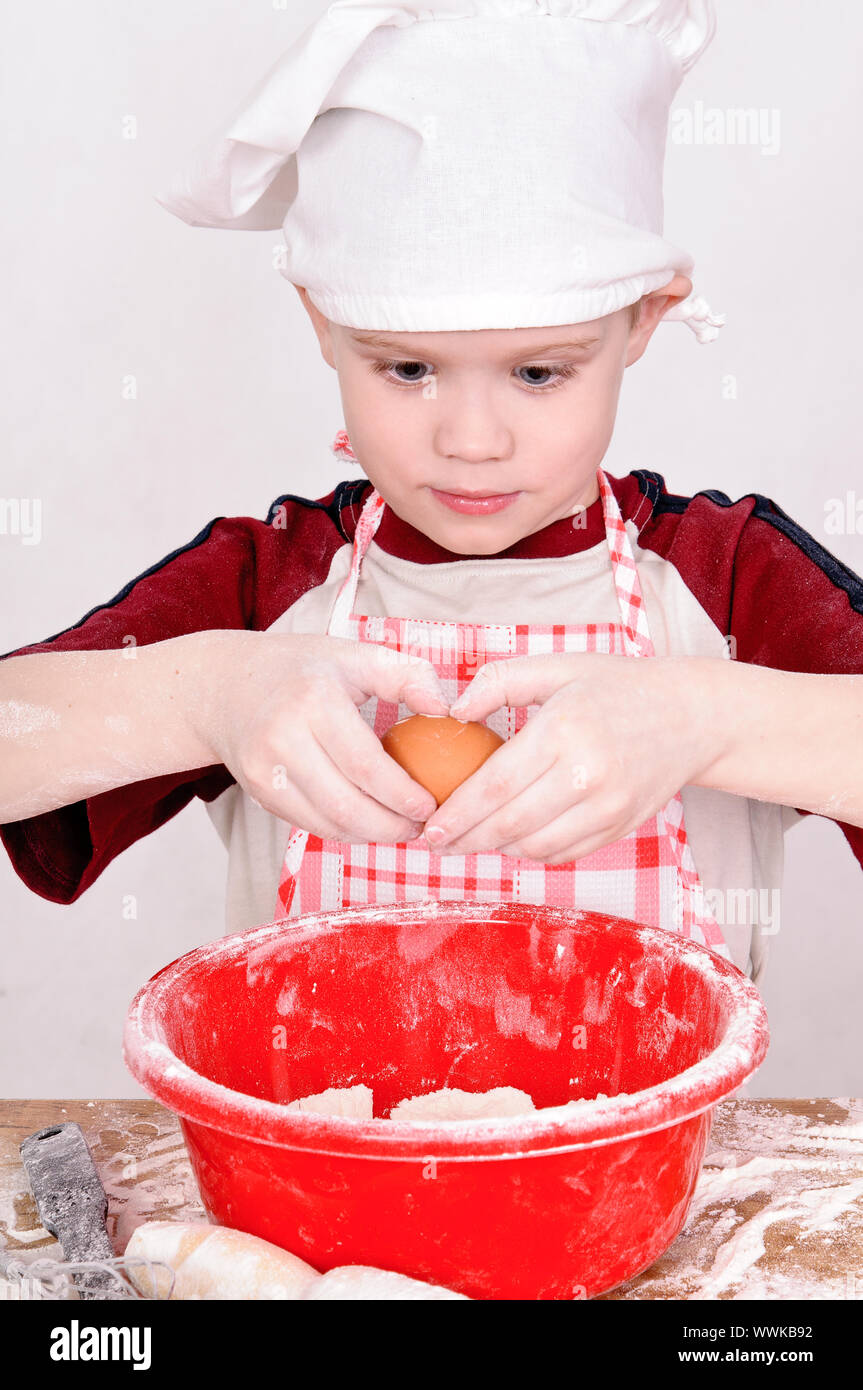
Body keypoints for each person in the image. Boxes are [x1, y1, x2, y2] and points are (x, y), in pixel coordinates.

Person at [2, 1, 862, 991]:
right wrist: (209, 694)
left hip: (643, 1152)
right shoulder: (273, 583)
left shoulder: (721, 577)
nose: (469, 440)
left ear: (641, 322)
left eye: (538, 373)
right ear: (322, 322)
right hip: (329, 1144)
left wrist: (706, 720)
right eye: (406, 368)